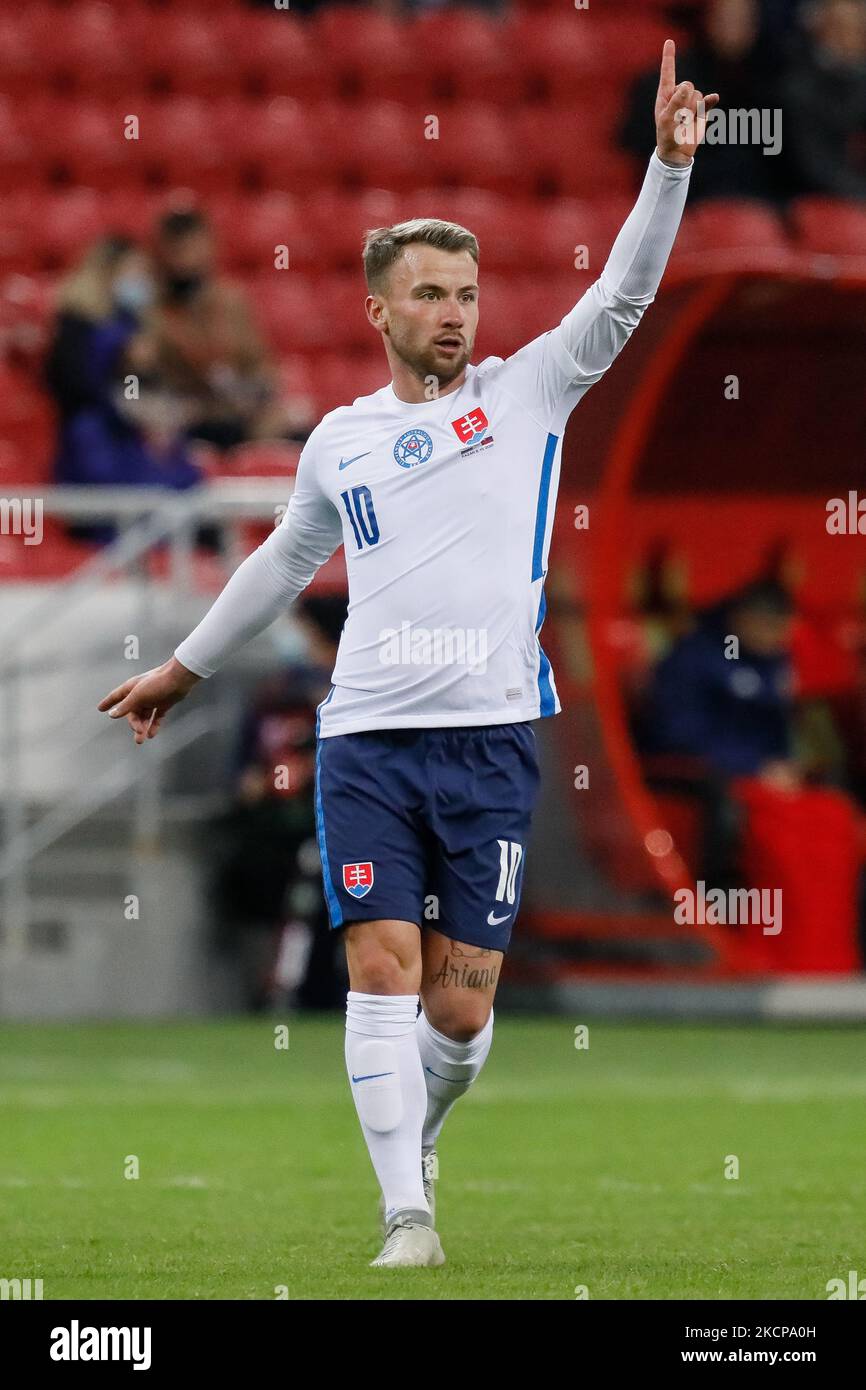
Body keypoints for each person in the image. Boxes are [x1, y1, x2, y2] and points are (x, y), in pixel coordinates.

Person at [98, 42, 717, 1269]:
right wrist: (186, 665)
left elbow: (627, 298)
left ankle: (418, 1135)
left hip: (489, 740)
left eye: (465, 294)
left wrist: (664, 169)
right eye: (428, 294)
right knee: (379, 966)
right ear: (377, 309)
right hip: (367, 738)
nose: (452, 313)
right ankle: (405, 1217)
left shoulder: (531, 389)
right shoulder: (339, 440)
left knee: (458, 1005)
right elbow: (281, 562)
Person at [45, 235, 202, 499]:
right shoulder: (79, 328)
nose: (143, 280)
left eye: (145, 273)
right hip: (99, 448)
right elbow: (79, 389)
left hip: (137, 444)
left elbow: (150, 389)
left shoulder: (139, 328)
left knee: (188, 487)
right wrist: (119, 358)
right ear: (107, 274)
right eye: (135, 271)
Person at [151, 207, 303, 448]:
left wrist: (261, 402)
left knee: (302, 434)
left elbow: (261, 367)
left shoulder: (232, 301)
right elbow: (155, 378)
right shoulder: (156, 310)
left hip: (243, 415)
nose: (188, 258)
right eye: (180, 250)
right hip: (189, 421)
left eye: (196, 247)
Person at [779, 0, 866, 200]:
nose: (851, 38)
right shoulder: (798, 88)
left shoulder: (859, 81)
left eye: (857, 30)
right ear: (823, 31)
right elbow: (814, 166)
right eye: (842, 29)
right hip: (813, 199)